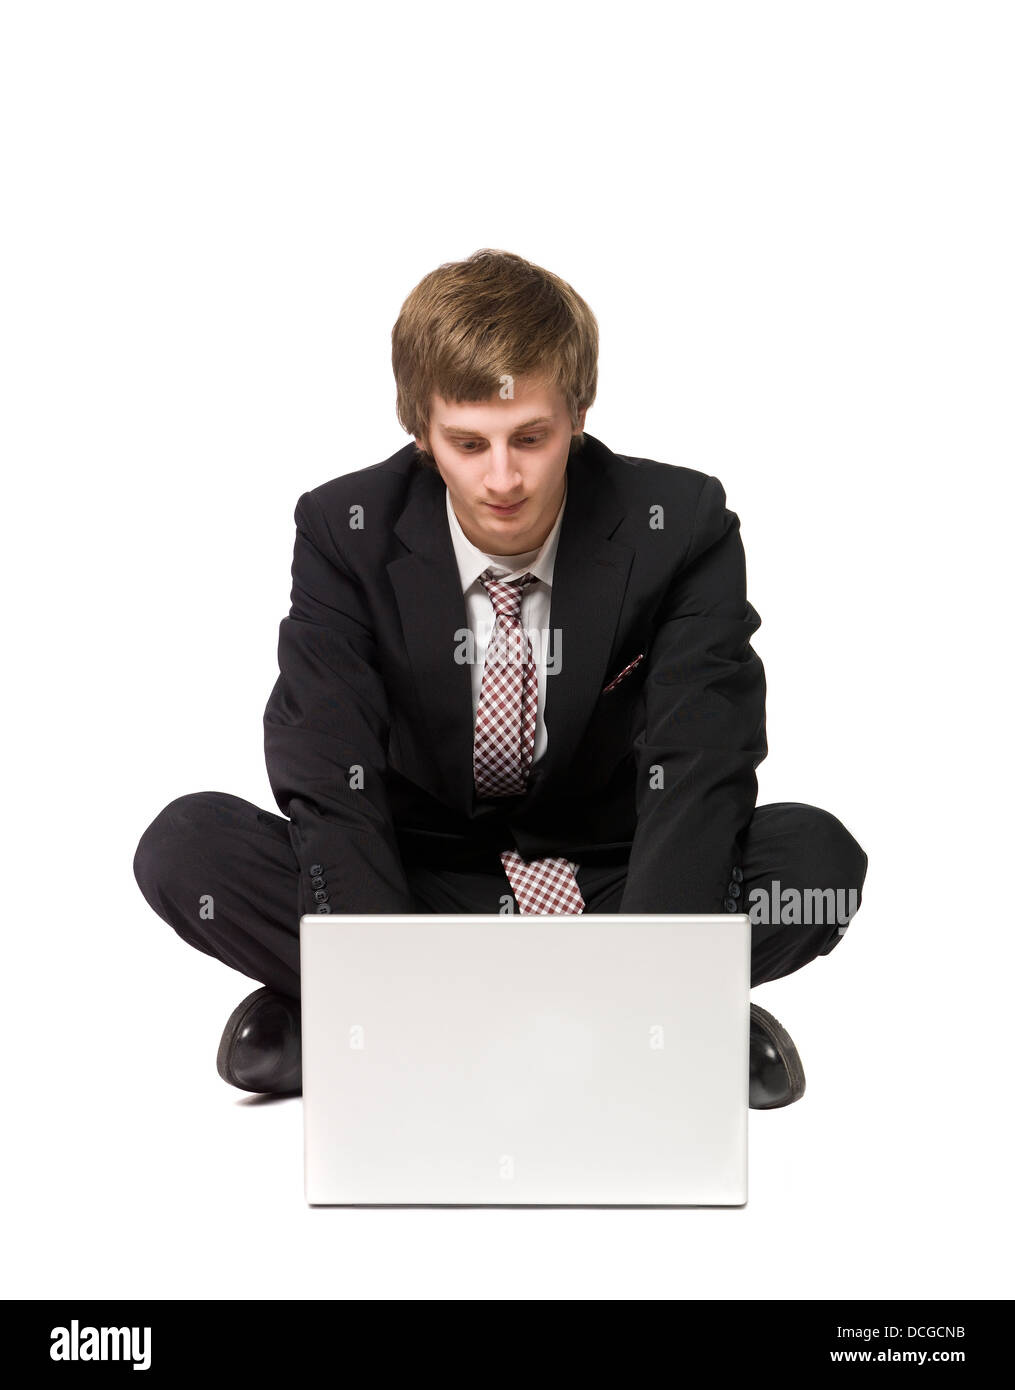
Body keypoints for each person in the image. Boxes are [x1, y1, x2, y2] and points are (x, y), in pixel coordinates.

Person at [133, 248, 867, 1109]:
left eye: (531, 437)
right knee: (187, 846)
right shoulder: (344, 529)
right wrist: (378, 964)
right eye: (467, 443)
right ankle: (662, 1025)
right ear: (419, 429)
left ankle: (353, 1022)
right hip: (418, 882)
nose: (503, 478)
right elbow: (326, 768)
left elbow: (703, 757)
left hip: (613, 880)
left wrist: (658, 966)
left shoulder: (683, 524)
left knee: (817, 861)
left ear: (578, 416)